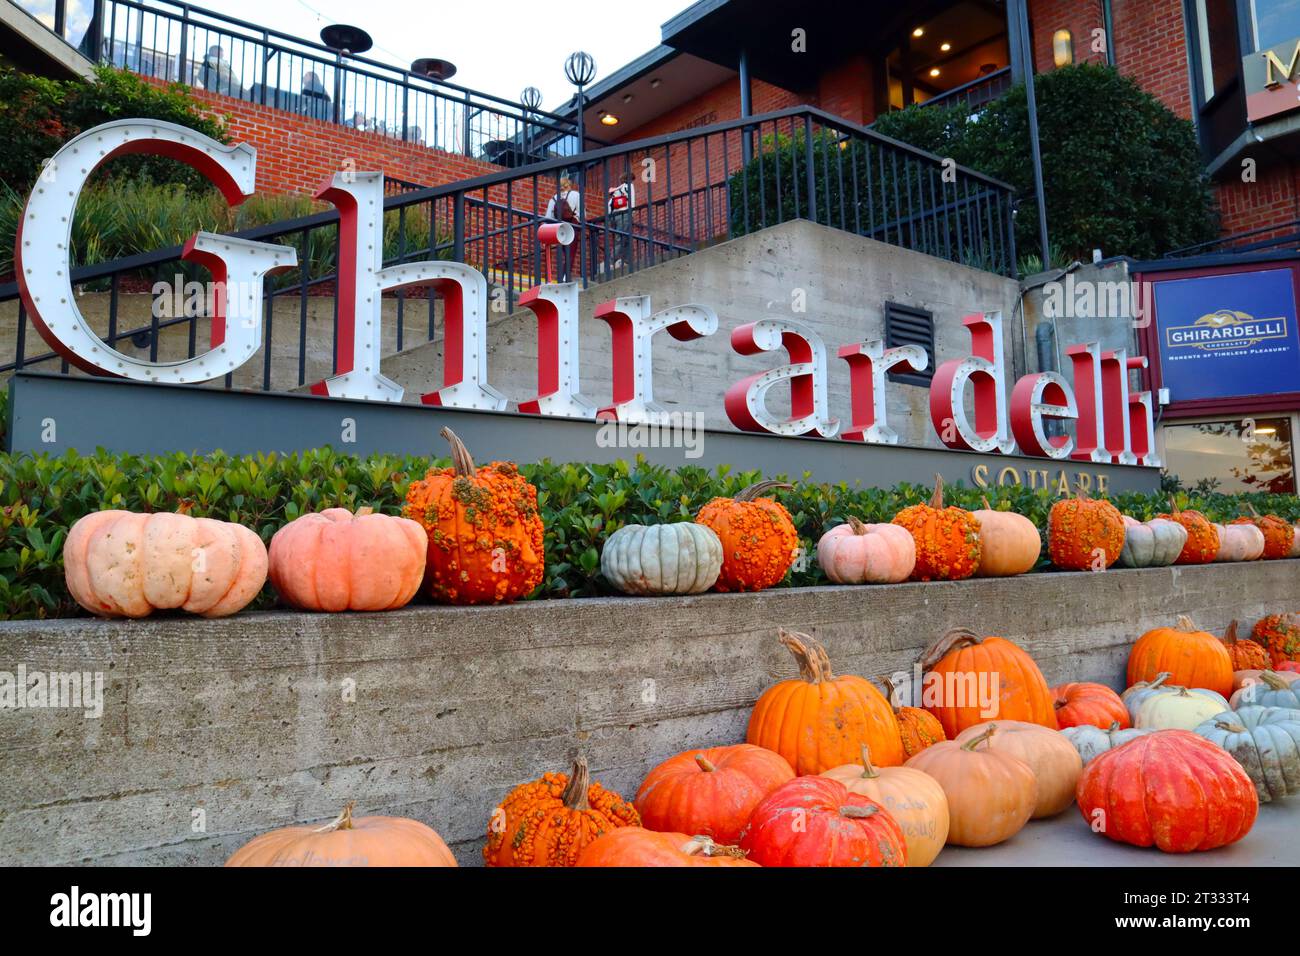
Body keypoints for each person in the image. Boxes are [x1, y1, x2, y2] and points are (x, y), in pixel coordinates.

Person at [544, 178, 582, 282]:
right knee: (571, 253)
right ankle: (565, 276)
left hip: (558, 227)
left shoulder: (554, 198)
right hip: (572, 226)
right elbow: (582, 214)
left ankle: (557, 277)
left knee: (562, 252)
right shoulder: (576, 195)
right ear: (569, 184)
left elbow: (548, 217)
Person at [606, 171, 635, 270]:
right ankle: (611, 261)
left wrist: (610, 218)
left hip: (614, 216)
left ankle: (626, 260)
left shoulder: (616, 189)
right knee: (622, 239)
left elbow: (610, 204)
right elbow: (632, 200)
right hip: (625, 214)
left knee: (625, 238)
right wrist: (632, 214)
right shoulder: (629, 186)